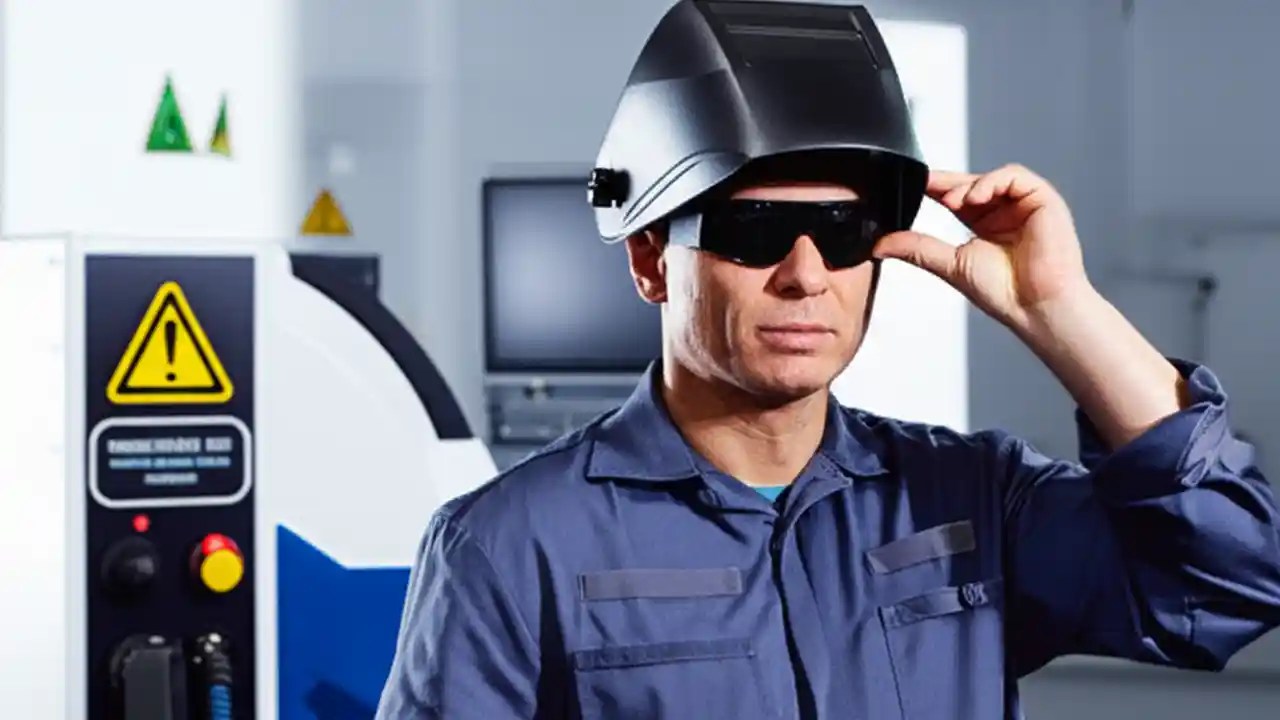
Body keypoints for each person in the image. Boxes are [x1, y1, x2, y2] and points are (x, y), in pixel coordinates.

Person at [376, 2, 1280, 718]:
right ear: (653, 260)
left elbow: (1230, 584)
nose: (806, 275)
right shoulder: (509, 546)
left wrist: (1061, 311)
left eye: (843, 232)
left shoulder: (970, 502)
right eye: (755, 230)